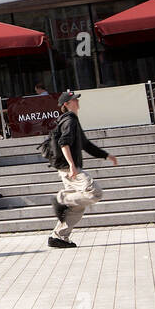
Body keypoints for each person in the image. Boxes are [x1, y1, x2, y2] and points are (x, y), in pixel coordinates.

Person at [48, 92, 118, 249]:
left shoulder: (73, 121)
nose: (77, 101)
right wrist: (72, 165)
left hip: (68, 169)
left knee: (77, 208)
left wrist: (106, 156)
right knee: (95, 193)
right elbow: (63, 143)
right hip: (70, 169)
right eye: (73, 100)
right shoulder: (70, 121)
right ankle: (62, 199)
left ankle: (58, 237)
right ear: (66, 104)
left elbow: (86, 145)